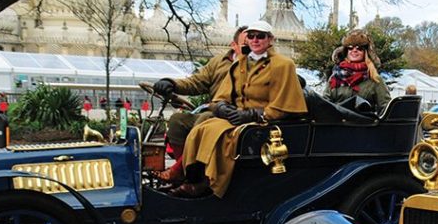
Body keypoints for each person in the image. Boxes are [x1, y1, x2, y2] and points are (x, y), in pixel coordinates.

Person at [172, 20, 307, 198]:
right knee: (203, 128)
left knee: (223, 135)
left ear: (270, 40)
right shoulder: (239, 64)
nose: (255, 40)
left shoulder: (283, 65)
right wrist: (222, 108)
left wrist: (253, 114)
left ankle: (210, 183)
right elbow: (222, 95)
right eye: (251, 36)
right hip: (238, 117)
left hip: (263, 121)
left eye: (260, 36)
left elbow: (285, 104)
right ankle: (192, 177)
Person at [152, 25, 249, 180]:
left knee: (204, 120)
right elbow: (196, 82)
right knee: (177, 120)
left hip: (234, 115)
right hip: (215, 110)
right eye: (245, 44)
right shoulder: (219, 62)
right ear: (234, 45)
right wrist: (172, 84)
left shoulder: (254, 66)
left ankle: (181, 173)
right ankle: (186, 170)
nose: (249, 48)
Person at [323, 30, 390, 113]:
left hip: (364, 120)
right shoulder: (335, 77)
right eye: (350, 48)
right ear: (346, 51)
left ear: (365, 52)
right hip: (337, 119)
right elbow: (325, 104)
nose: (354, 50)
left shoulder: (375, 79)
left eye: (359, 48)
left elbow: (385, 108)